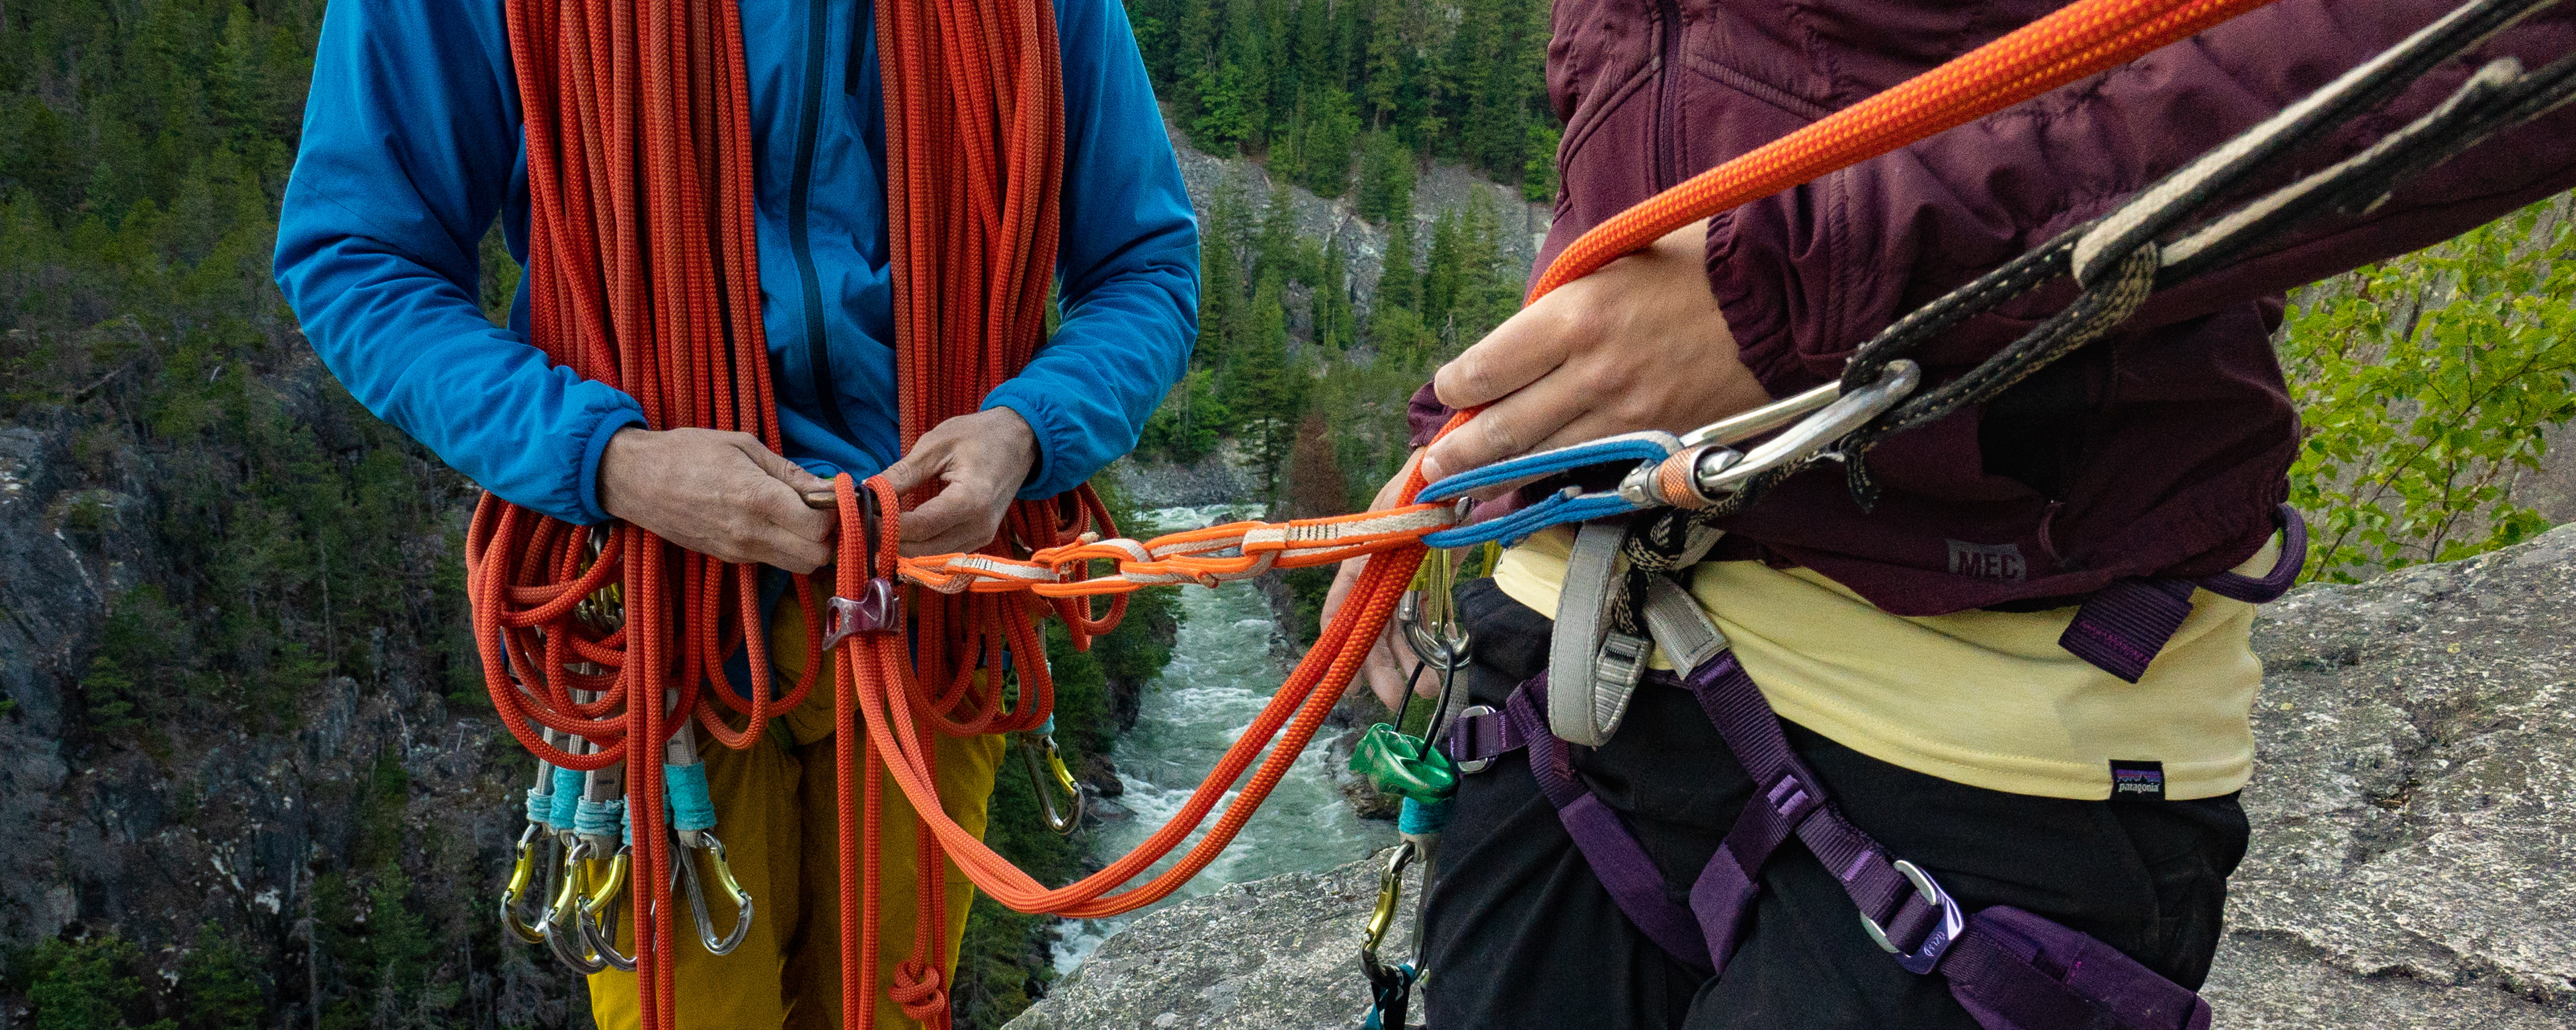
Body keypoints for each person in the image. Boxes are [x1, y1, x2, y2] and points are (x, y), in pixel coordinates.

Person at [1323, 0, 2576, 1026]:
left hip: (1991, 698)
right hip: (1581, 613)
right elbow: (1658, 91)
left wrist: (1804, 290)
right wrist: (1484, 447)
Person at [270, 0, 1198, 1023]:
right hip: (659, 627)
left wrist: (1026, 430)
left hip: (925, 627)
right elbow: (355, 253)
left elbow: (1146, 265)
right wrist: (613, 460)